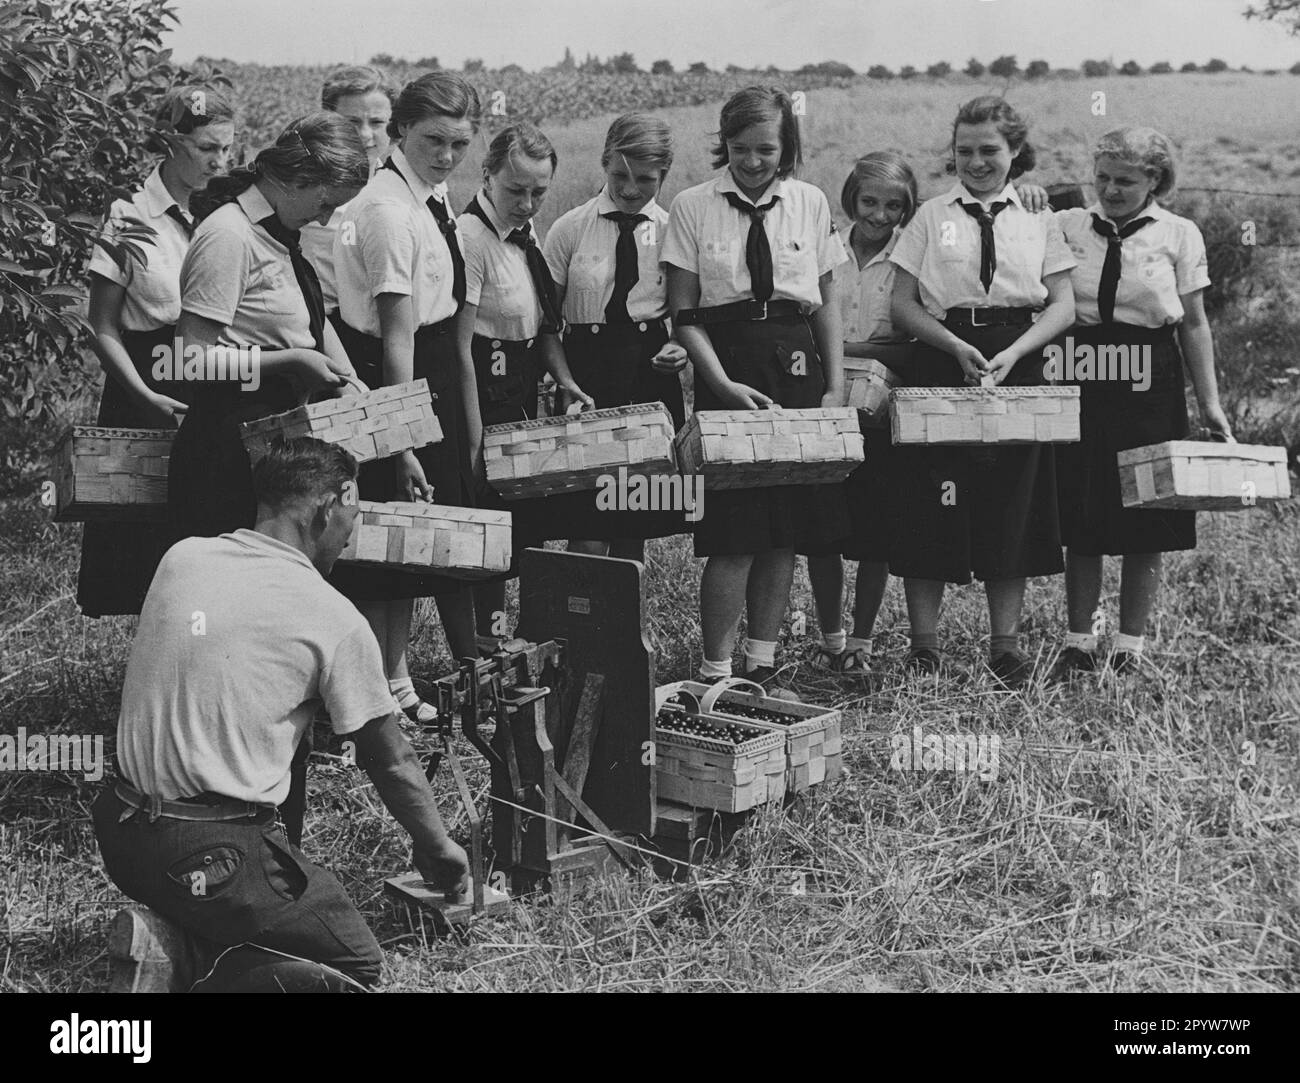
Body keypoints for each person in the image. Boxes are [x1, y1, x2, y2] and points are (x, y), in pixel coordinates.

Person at [92, 437, 470, 993]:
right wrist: (439, 849)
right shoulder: (331, 617)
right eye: (354, 514)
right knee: (355, 968)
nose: (351, 534)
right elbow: (392, 761)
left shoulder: (182, 557)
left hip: (122, 837)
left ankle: (177, 931)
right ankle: (184, 963)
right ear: (332, 503)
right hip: (207, 856)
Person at [169, 112, 370, 843]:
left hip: (275, 449)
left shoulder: (284, 239)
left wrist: (338, 370)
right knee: (234, 629)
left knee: (283, 624)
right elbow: (187, 358)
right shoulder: (227, 234)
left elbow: (308, 329)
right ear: (293, 178)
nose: (329, 216)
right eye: (325, 200)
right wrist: (284, 365)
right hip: (226, 451)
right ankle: (215, 801)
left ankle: (276, 808)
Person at [662, 86, 848, 690]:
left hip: (796, 364)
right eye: (739, 149)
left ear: (786, 146)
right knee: (734, 532)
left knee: (783, 529)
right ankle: (716, 668)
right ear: (724, 146)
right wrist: (717, 383)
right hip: (727, 365)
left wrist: (835, 384)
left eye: (765, 149)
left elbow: (825, 305)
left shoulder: (812, 202)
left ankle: (760, 662)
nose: (751, 161)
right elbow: (683, 314)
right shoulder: (692, 207)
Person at [889, 95, 1077, 689]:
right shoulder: (929, 216)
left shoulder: (1038, 216)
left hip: (1019, 361)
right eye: (964, 151)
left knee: (1011, 499)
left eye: (989, 150)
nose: (976, 162)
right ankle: (924, 647)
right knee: (929, 497)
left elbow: (1063, 304)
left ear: (1015, 150)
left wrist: (1017, 352)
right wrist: (952, 347)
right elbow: (902, 303)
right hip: (945, 358)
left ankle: (1006, 648)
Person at [1051, 127, 1233, 678]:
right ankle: (1079, 641)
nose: (1109, 189)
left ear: (1154, 179)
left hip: (1148, 378)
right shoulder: (1065, 225)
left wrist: (1211, 405)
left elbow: (1194, 324)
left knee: (1146, 508)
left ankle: (1130, 645)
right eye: (1101, 177)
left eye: (1125, 180)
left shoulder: (1179, 234)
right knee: (1082, 508)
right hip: (1078, 370)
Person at [332, 72, 482, 719]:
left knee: (403, 541)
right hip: (396, 375)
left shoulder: (430, 193)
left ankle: (396, 683)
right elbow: (396, 338)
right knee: (378, 542)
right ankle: (373, 691)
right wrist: (402, 438)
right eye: (433, 140)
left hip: (432, 367)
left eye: (460, 142)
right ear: (399, 131)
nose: (447, 155)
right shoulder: (388, 210)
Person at [77, 83, 234, 617]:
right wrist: (143, 394)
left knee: (212, 533)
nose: (219, 161)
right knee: (147, 541)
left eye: (228, 149)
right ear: (170, 143)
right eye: (206, 149)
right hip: (149, 385)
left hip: (214, 380)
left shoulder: (225, 212)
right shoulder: (130, 214)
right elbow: (100, 325)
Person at [456, 122, 592, 640]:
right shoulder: (470, 239)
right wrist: (473, 439)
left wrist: (563, 377)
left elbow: (542, 325)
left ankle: (523, 634)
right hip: (486, 390)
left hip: (524, 385)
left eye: (539, 192)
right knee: (488, 524)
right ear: (487, 175)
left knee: (522, 523)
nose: (528, 202)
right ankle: (485, 640)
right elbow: (459, 347)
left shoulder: (525, 232)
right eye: (516, 190)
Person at [542, 113, 691, 560]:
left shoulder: (672, 231)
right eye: (618, 175)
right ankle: (580, 627)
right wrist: (564, 382)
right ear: (604, 163)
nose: (630, 189)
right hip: (585, 378)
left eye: (645, 179)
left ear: (664, 174)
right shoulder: (569, 228)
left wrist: (678, 347)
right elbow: (546, 323)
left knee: (635, 516)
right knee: (587, 525)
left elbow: (686, 317)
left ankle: (626, 627)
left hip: (647, 377)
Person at [801, 152, 917, 676]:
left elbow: (915, 341)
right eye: (869, 202)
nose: (879, 215)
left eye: (894, 205)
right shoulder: (825, 248)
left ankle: (862, 642)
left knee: (879, 531)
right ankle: (830, 636)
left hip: (880, 409)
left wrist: (852, 351)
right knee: (822, 527)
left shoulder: (911, 255)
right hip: (827, 402)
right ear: (852, 199)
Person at [300, 65, 395, 328]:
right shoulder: (301, 188)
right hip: (320, 325)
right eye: (351, 122)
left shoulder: (401, 188)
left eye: (377, 122)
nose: (365, 135)